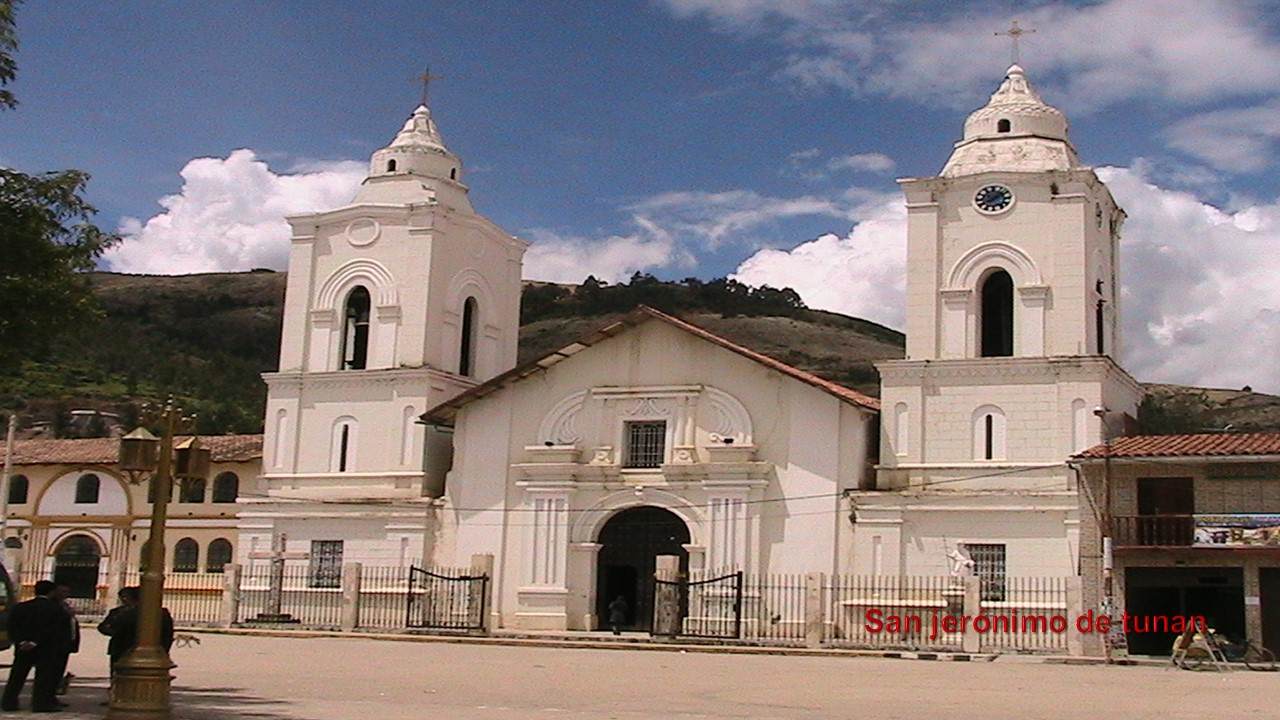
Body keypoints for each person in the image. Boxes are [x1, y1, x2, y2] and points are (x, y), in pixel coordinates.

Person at [1, 580, 73, 713]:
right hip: (46, 648)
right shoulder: (57, 609)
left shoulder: (21, 607)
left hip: (23, 648)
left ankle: (9, 702)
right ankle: (40, 703)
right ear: (52, 592)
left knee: (17, 676)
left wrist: (21, 641)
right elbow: (53, 629)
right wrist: (36, 641)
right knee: (43, 677)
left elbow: (12, 626)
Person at [103, 587, 174, 671]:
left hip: (134, 650)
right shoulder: (118, 612)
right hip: (123, 649)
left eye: (125, 597)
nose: (123, 600)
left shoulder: (158, 613)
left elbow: (167, 634)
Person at [52, 585, 79, 697]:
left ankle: (54, 693)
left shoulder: (66, 605)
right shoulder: (54, 606)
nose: (66, 593)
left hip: (66, 642)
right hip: (56, 642)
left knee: (59, 669)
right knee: (53, 670)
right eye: (62, 591)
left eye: (67, 591)